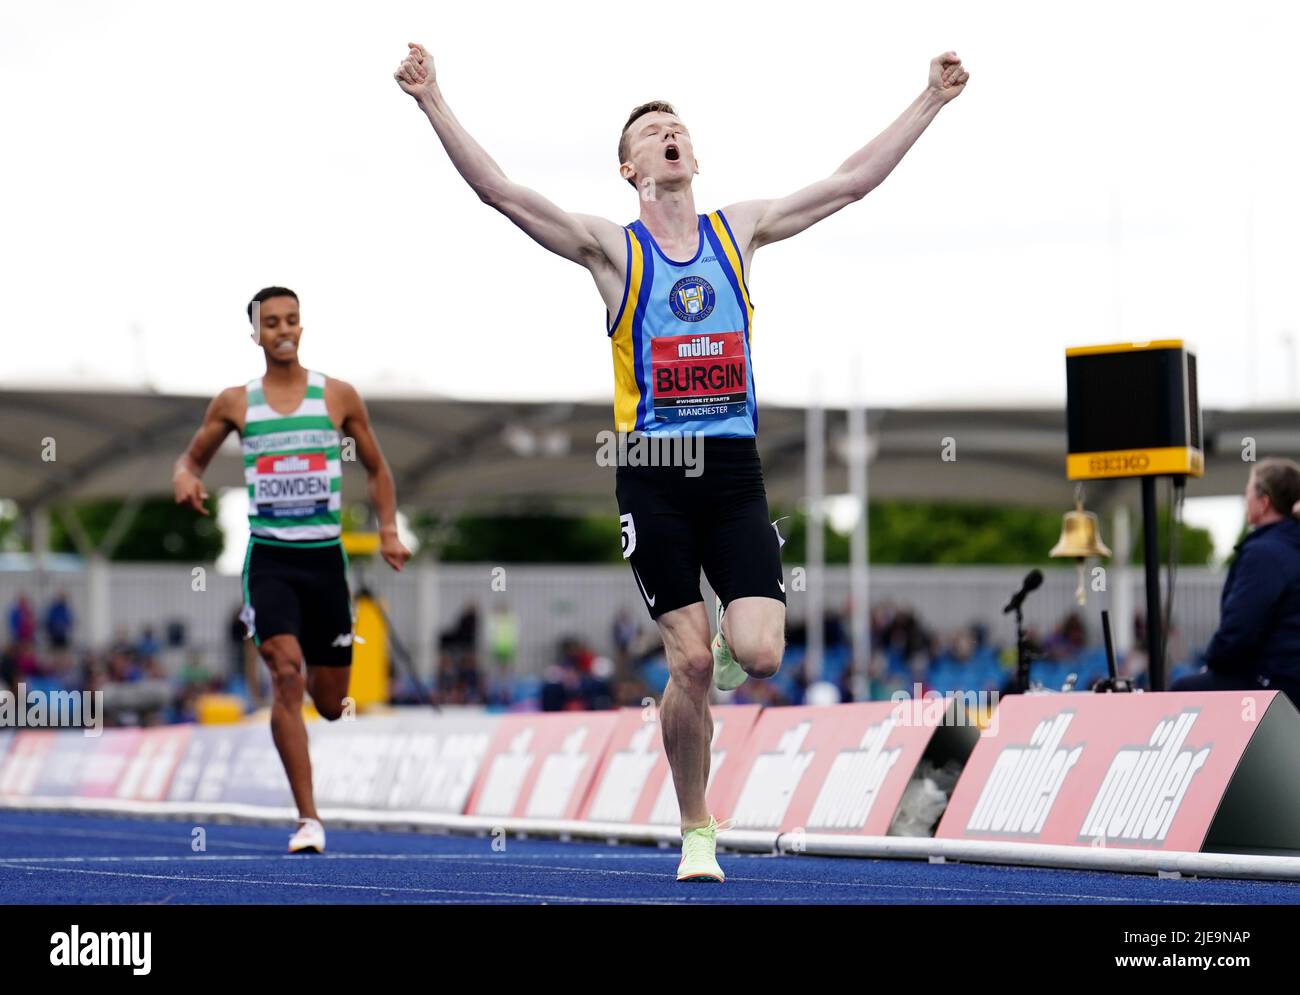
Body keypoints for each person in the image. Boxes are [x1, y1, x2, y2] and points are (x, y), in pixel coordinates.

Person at [393, 42, 969, 881]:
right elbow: (500, 193)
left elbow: (848, 182)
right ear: (630, 167)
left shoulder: (737, 231)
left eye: (679, 129)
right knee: (690, 661)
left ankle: (734, 653)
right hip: (654, 474)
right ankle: (697, 825)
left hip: (733, 473)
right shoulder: (612, 251)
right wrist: (432, 99)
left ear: (693, 157)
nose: (671, 137)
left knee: (760, 654)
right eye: (654, 131)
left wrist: (931, 100)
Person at [173, 286, 410, 853]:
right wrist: (186, 476)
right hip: (270, 557)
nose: (282, 329)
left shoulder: (338, 397)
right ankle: (309, 819)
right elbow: (192, 457)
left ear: (302, 327)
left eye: (292, 320)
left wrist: (388, 529)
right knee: (285, 673)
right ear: (255, 333)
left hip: (325, 560)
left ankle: (314, 768)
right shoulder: (235, 403)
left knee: (330, 704)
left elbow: (377, 469)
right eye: (271, 322)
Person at [1172, 458, 1300, 708]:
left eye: (1248, 493)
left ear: (1264, 503)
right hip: (1288, 678)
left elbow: (1240, 632)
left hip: (1276, 685)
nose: (1245, 500)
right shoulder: (1288, 546)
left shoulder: (1265, 554)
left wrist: (1211, 663)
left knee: (1181, 692)